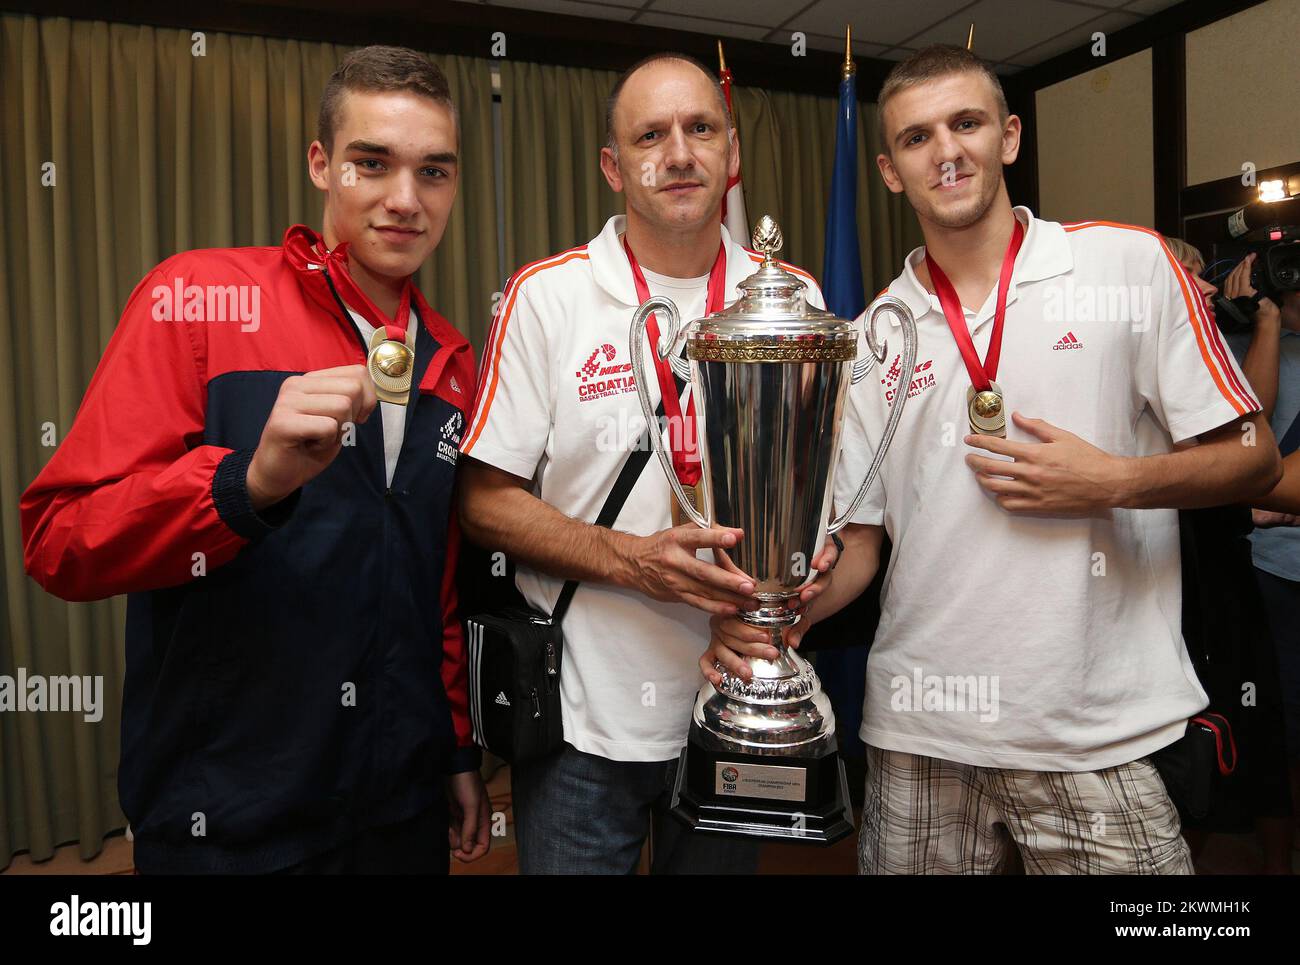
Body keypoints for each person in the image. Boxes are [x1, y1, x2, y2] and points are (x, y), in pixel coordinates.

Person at [705, 44, 1280, 875]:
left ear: (1008, 137)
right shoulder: (870, 335)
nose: (946, 150)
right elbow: (862, 540)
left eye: (966, 123)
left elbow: (1254, 457)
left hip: (1093, 730)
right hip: (918, 731)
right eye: (916, 137)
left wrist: (1114, 480)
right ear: (890, 169)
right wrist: (781, 611)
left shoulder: (1128, 267)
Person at [21, 46, 488, 874]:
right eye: (371, 164)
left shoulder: (453, 360)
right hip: (230, 822)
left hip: (398, 810)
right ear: (320, 164)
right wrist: (245, 484)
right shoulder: (197, 299)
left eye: (434, 172)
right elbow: (60, 539)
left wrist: (452, 745)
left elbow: (434, 581)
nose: (405, 200)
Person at [458, 52, 827, 874]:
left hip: (740, 701)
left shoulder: (794, 298)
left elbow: (826, 503)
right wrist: (637, 562)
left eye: (701, 128)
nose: (680, 151)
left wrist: (795, 596)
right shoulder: (547, 296)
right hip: (584, 723)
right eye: (650, 134)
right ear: (612, 166)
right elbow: (485, 503)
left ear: (731, 152)